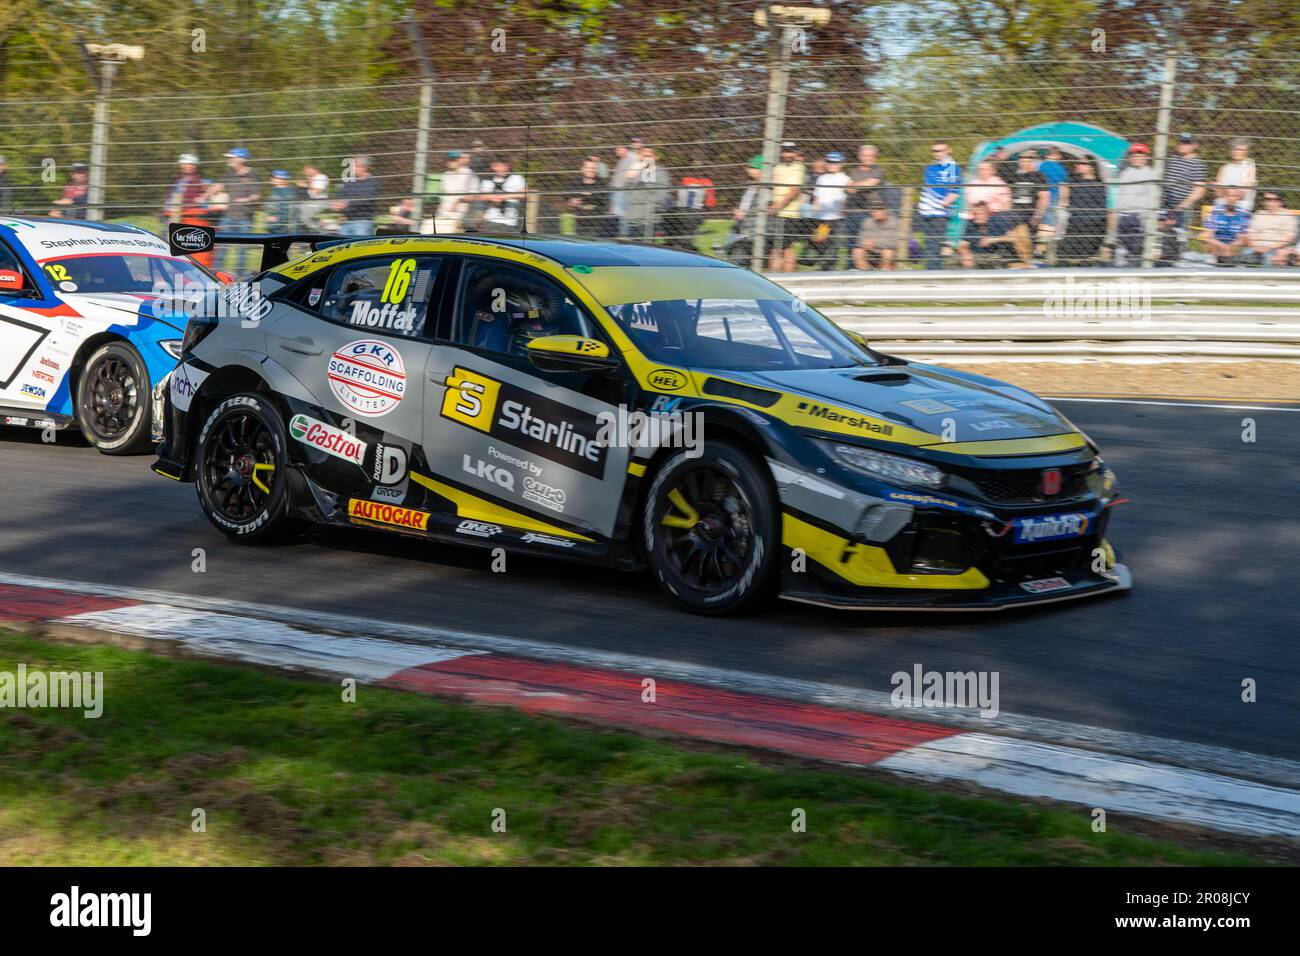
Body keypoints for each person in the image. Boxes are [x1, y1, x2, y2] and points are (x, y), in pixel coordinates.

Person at [206, 147, 260, 273]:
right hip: (228, 216)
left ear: (241, 159)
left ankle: (240, 275)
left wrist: (246, 200)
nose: (229, 160)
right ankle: (214, 272)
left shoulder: (253, 174)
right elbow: (218, 186)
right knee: (221, 246)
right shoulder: (229, 173)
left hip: (245, 217)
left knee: (242, 249)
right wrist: (205, 195)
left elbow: (257, 195)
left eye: (231, 157)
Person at [915, 141, 961, 269]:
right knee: (929, 244)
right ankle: (932, 269)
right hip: (926, 212)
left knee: (933, 246)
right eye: (934, 151)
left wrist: (942, 204)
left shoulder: (952, 167)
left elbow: (955, 191)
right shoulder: (930, 168)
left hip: (940, 214)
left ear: (948, 150)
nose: (937, 153)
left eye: (940, 150)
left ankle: (932, 273)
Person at [1113, 143, 1160, 263]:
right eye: (1133, 155)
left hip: (1138, 215)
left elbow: (1152, 198)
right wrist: (1116, 213)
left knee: (1136, 249)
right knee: (1122, 247)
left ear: (1146, 157)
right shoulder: (1126, 172)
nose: (1136, 158)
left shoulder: (1150, 174)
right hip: (1123, 215)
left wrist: (1147, 219)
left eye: (1140, 155)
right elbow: (1120, 194)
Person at [1058, 158, 1108, 266]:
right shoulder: (1073, 181)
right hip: (1075, 224)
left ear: (1092, 167)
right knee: (1063, 257)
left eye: (1082, 163)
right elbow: (1064, 200)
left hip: (1092, 226)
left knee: (1085, 259)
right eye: (1077, 163)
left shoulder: (1099, 185)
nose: (1078, 165)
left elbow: (1103, 211)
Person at [1003, 151, 1050, 259]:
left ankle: (1027, 256)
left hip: (1029, 213)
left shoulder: (1038, 176)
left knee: (1024, 233)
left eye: (1026, 159)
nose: (1022, 162)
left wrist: (1037, 215)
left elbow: (1044, 197)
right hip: (1012, 213)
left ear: (1032, 161)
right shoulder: (1014, 176)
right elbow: (1008, 195)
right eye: (1021, 159)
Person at [767, 142, 806, 271]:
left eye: (790, 151)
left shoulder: (798, 167)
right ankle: (775, 278)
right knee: (775, 248)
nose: (787, 154)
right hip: (775, 213)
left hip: (790, 214)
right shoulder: (777, 167)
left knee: (786, 248)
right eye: (785, 151)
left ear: (795, 153)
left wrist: (778, 206)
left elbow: (794, 191)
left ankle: (787, 276)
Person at [807, 151, 849, 269]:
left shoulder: (845, 179)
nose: (832, 165)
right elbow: (817, 198)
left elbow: (846, 198)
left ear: (841, 164)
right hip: (822, 218)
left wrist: (844, 210)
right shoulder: (821, 178)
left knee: (834, 245)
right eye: (829, 162)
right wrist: (814, 214)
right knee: (820, 241)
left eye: (835, 163)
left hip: (837, 218)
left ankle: (828, 267)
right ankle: (818, 263)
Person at [663, 163, 716, 252]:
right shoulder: (707, 182)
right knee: (687, 238)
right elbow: (710, 202)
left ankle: (674, 248)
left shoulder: (685, 180)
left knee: (676, 236)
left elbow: (675, 196)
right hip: (695, 213)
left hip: (680, 211)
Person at [1162, 133, 1207, 235]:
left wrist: (1177, 211)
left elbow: (1199, 191)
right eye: (1181, 142)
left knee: (1178, 240)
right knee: (1162, 240)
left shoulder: (1197, 163)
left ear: (1195, 145)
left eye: (1187, 143)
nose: (1182, 145)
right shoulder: (1173, 159)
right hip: (1165, 205)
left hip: (1181, 210)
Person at [622, 146, 670, 242]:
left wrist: (648, 207)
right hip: (633, 218)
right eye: (644, 155)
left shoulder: (660, 172)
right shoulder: (637, 170)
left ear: (656, 158)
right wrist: (631, 174)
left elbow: (661, 196)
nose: (646, 158)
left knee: (646, 249)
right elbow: (626, 187)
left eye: (649, 156)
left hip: (648, 220)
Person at [958, 202, 1026, 268]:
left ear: (988, 214)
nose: (977, 216)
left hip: (997, 256)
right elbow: (962, 244)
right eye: (975, 214)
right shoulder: (970, 225)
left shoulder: (997, 222)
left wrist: (992, 239)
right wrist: (966, 253)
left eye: (980, 214)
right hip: (977, 257)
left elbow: (1014, 238)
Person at [844, 145, 885, 245]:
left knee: (868, 242)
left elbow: (870, 183)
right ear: (860, 156)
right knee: (852, 241)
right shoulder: (854, 171)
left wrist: (855, 186)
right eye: (866, 155)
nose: (869, 158)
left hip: (871, 211)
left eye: (872, 156)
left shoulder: (878, 170)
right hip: (853, 211)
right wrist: (859, 186)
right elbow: (847, 188)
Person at [334, 155, 383, 237]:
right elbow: (341, 195)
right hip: (346, 221)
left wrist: (346, 204)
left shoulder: (373, 181)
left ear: (364, 167)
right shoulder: (350, 181)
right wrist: (336, 204)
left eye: (355, 166)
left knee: (359, 246)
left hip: (363, 222)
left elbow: (365, 199)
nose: (352, 168)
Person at [1199, 187, 1251, 264]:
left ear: (1238, 198)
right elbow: (1207, 234)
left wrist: (1229, 247)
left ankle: (1227, 263)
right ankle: (1213, 263)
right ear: (1225, 197)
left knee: (1242, 242)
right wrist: (1221, 245)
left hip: (1234, 245)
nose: (1232, 199)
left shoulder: (1244, 214)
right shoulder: (1216, 212)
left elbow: (1242, 238)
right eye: (1229, 195)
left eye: (1235, 196)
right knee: (1204, 239)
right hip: (1217, 244)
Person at [1243, 192, 1297, 266]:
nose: (1269, 202)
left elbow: (1289, 238)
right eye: (1267, 199)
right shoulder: (1259, 214)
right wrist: (1255, 247)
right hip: (1255, 248)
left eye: (1273, 200)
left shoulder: (1288, 216)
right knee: (1245, 255)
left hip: (1276, 248)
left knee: (1268, 258)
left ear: (1280, 202)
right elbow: (1250, 234)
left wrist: (1269, 247)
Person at [566, 158, 613, 238]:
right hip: (579, 224)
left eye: (593, 168)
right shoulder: (575, 184)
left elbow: (606, 203)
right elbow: (567, 200)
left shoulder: (601, 184)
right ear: (582, 169)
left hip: (597, 225)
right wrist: (571, 202)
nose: (590, 170)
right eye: (588, 167)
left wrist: (589, 197)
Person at [478, 156, 527, 232]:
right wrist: (491, 198)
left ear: (507, 166)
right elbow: (481, 196)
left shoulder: (516, 178)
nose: (497, 169)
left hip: (508, 222)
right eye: (494, 166)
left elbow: (525, 194)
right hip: (489, 219)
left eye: (500, 166)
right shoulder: (488, 178)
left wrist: (504, 197)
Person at [434, 151, 477, 234]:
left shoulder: (468, 173)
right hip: (442, 212)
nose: (451, 162)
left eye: (454, 160)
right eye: (449, 159)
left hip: (459, 213)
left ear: (460, 161)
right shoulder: (445, 175)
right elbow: (442, 197)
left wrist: (459, 201)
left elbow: (474, 195)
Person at [610, 137, 643, 236]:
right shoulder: (622, 159)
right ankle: (617, 234)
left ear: (625, 149)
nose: (616, 151)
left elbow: (634, 174)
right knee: (617, 214)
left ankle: (624, 235)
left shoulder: (632, 158)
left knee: (623, 215)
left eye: (618, 149)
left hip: (623, 191)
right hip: (616, 190)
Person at [852, 205, 898, 270]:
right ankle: (866, 273)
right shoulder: (867, 222)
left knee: (887, 252)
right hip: (871, 251)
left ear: (886, 212)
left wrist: (876, 243)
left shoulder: (895, 223)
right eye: (874, 211)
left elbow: (895, 242)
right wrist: (864, 244)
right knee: (857, 251)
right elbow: (860, 239)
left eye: (879, 210)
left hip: (888, 250)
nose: (877, 213)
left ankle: (885, 273)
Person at [1216, 138, 1257, 211]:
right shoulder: (1224, 168)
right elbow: (1218, 192)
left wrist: (1225, 192)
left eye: (1241, 150)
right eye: (1235, 149)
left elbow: (1243, 193)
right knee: (1218, 202)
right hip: (1223, 202)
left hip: (1241, 204)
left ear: (1247, 152)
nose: (1237, 152)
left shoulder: (1250, 166)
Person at [297, 164, 332, 231]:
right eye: (305, 171)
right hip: (310, 202)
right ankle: (314, 229)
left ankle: (319, 229)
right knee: (301, 213)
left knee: (304, 214)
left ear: (314, 169)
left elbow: (317, 191)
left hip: (319, 202)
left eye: (307, 170)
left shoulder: (322, 177)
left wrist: (305, 185)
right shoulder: (312, 178)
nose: (305, 172)